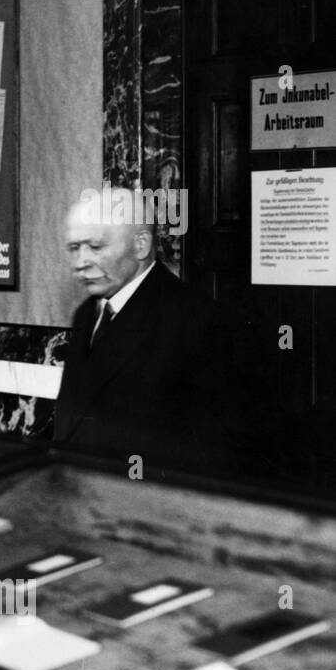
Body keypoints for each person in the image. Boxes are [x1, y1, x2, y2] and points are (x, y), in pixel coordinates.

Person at [53, 192, 232, 473]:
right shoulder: (86, 314)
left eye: (95, 246)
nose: (80, 262)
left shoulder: (194, 318)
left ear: (141, 245)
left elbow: (213, 448)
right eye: (74, 248)